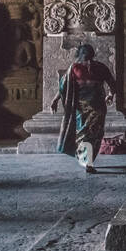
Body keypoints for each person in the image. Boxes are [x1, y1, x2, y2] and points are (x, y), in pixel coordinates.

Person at [50, 43, 117, 174]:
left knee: (82, 136)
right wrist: (110, 95)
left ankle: (86, 161)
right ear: (93, 54)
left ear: (79, 55)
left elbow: (63, 88)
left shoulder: (74, 68)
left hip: (81, 109)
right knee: (95, 135)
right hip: (98, 109)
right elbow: (112, 85)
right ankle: (89, 162)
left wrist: (54, 100)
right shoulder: (101, 68)